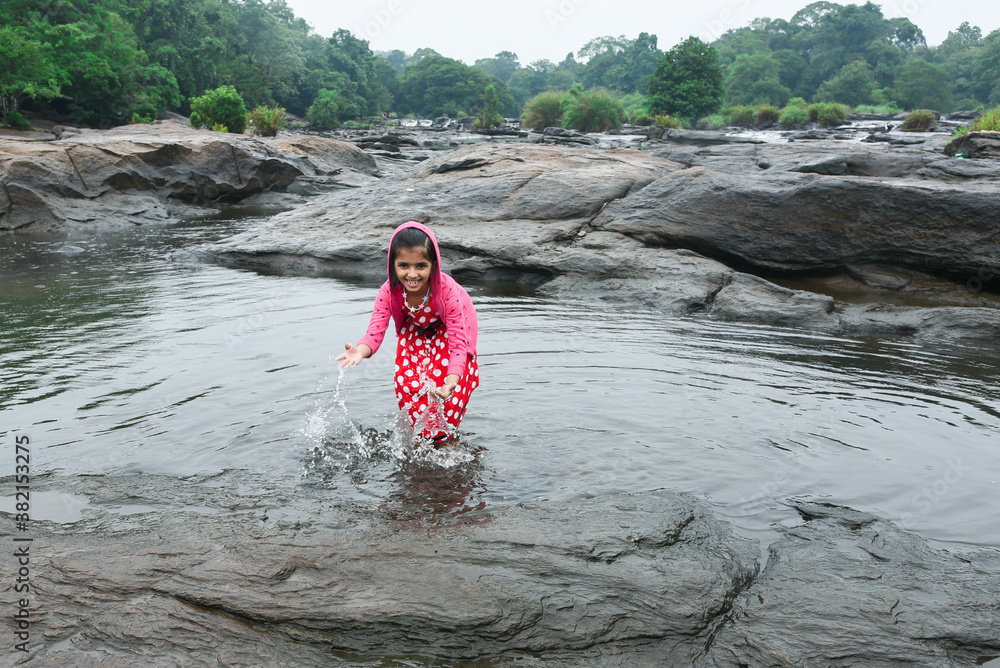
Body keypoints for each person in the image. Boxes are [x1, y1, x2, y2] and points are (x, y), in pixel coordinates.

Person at [336, 222, 479, 445]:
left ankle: (448, 441)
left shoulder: (447, 291)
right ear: (393, 265)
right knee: (409, 385)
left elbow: (459, 345)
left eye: (421, 266)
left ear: (434, 265)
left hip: (451, 331)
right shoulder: (389, 291)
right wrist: (360, 352)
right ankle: (421, 442)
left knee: (445, 392)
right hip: (415, 329)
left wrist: (452, 380)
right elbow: (375, 332)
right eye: (403, 265)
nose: (412, 274)